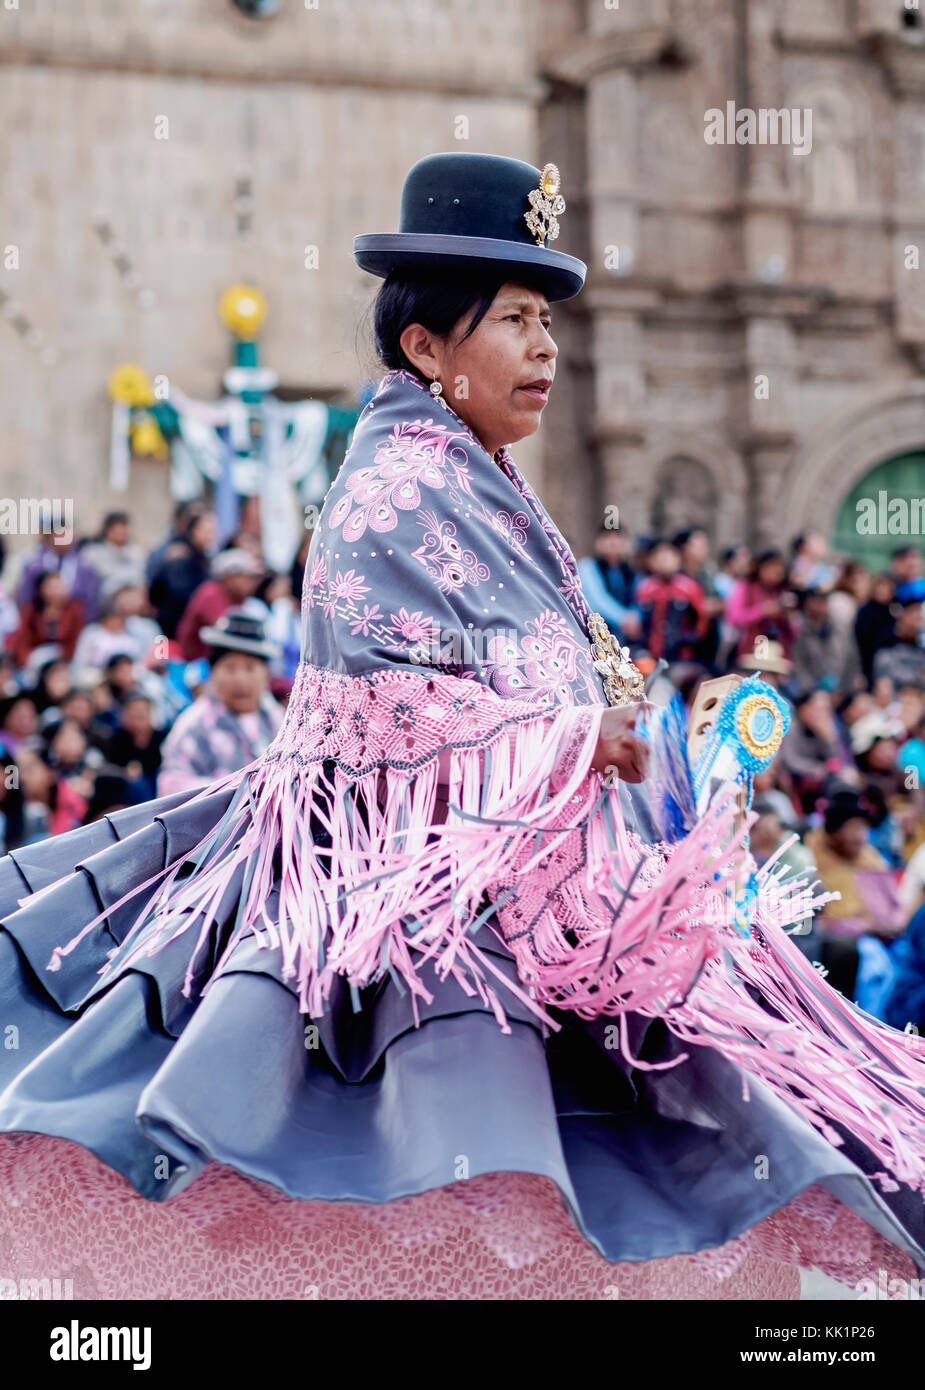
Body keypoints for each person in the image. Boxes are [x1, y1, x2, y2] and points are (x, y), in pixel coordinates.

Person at [1, 152, 924, 1302]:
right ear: (426, 346)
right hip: (416, 918)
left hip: (529, 899)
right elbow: (365, 716)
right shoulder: (396, 487)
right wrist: (566, 741)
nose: (545, 348)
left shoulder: (475, 476)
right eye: (515, 320)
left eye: (548, 321)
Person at [157, 612, 283, 796]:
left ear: (266, 674)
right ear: (213, 673)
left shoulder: (278, 719)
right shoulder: (194, 724)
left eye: (250, 668)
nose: (240, 679)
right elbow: (170, 785)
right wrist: (236, 793)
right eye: (230, 668)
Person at [175, 548, 265, 662]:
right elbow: (225, 632)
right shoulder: (212, 593)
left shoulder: (238, 599)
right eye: (246, 576)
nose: (252, 582)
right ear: (228, 576)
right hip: (193, 667)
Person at [576, 525, 641, 644]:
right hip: (598, 634)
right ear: (598, 543)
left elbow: (638, 598)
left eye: (618, 538)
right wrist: (624, 619)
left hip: (627, 636)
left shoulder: (632, 570)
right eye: (607, 538)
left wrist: (636, 618)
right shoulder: (588, 566)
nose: (613, 543)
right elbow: (596, 599)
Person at [8, 569, 85, 666]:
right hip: (36, 662)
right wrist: (27, 661)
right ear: (42, 589)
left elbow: (76, 640)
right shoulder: (31, 611)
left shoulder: (74, 610)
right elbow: (23, 640)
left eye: (61, 586)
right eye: (54, 587)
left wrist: (63, 659)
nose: (60, 590)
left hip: (65, 661)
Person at [80, 511, 146, 597]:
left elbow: (140, 578)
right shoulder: (92, 553)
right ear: (107, 530)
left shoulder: (136, 552)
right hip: (104, 600)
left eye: (123, 529)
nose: (120, 533)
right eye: (116, 529)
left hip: (134, 597)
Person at [873, 595, 925, 689]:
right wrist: (916, 675)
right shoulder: (886, 638)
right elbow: (883, 674)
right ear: (904, 615)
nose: (920, 617)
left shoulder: (919, 643)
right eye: (915, 612)